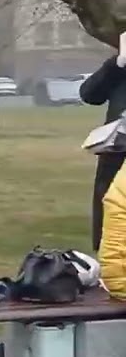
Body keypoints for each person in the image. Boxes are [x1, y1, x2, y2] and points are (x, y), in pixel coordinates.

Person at [79, 32, 126, 250]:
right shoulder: (119, 68)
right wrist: (118, 64)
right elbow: (89, 94)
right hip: (117, 153)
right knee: (111, 209)